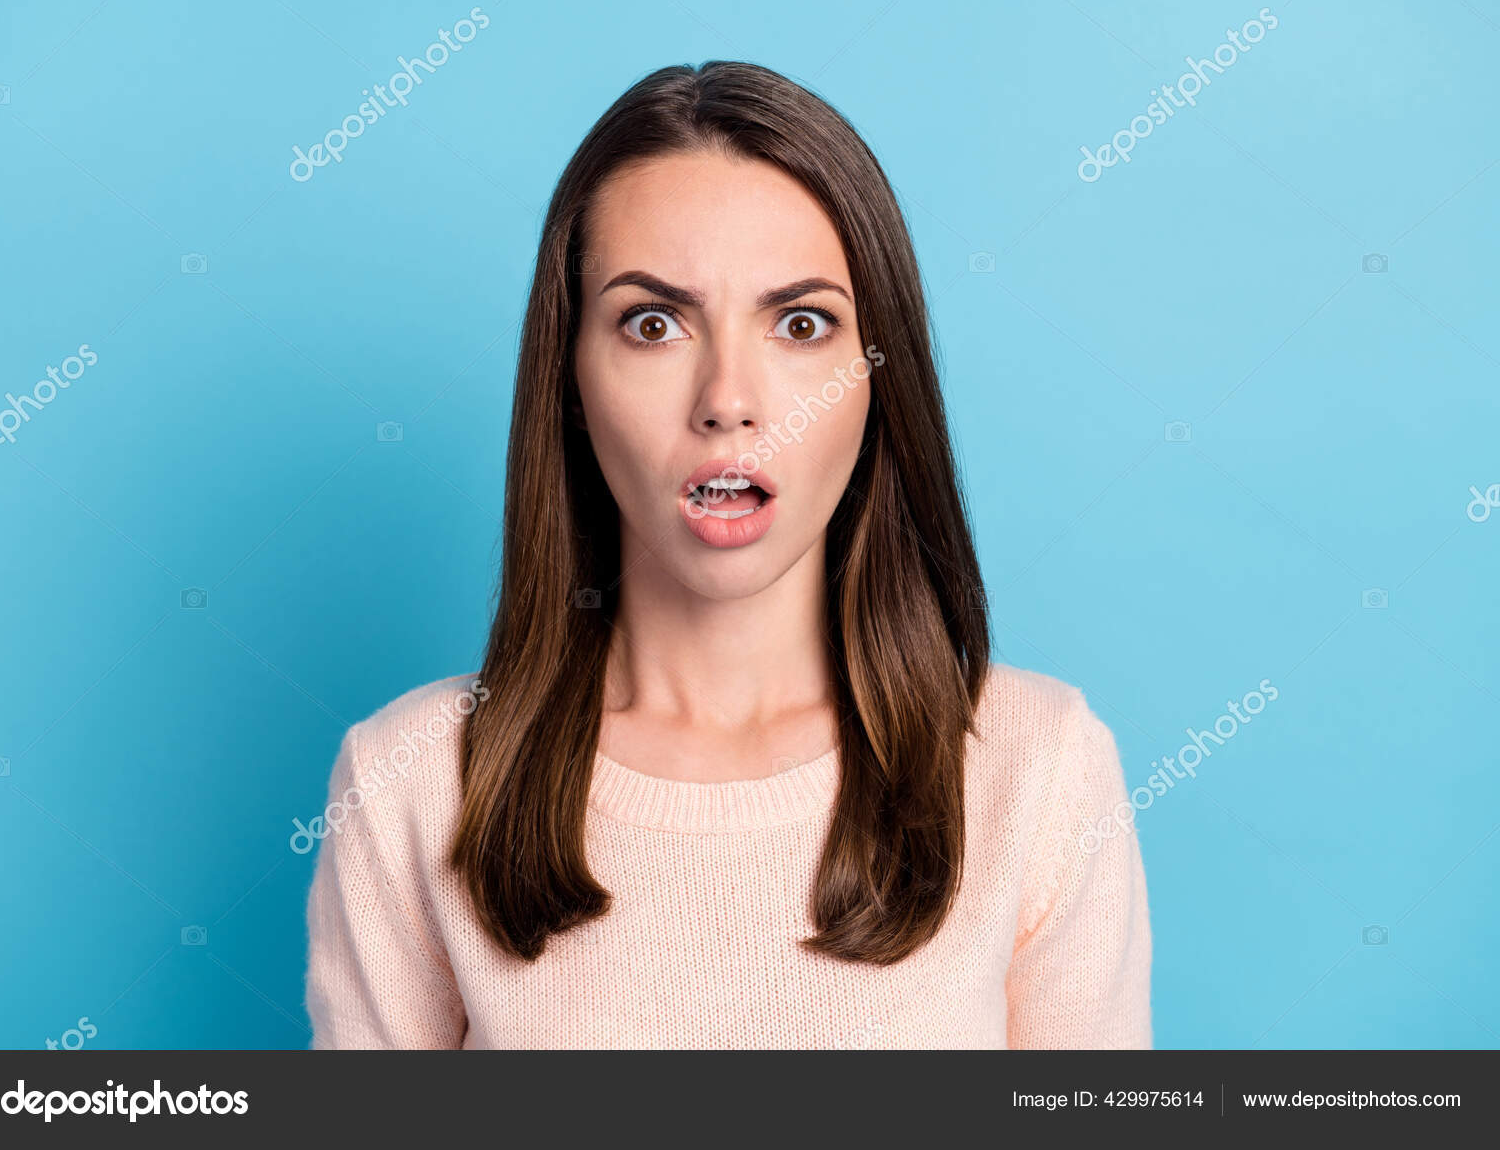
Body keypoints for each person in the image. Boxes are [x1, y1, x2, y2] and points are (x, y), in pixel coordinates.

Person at [304, 60, 1151, 1049]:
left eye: (801, 324)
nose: (728, 401)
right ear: (569, 378)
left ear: (878, 376)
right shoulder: (410, 781)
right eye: (653, 324)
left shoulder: (1041, 769)